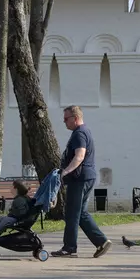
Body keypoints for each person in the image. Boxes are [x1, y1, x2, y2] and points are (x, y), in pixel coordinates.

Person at [52, 106, 112, 258]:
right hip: (86, 177)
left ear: (76, 118)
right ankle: (101, 242)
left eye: (66, 119)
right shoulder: (83, 132)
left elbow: (79, 156)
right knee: (81, 213)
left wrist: (66, 171)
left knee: (72, 213)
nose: (64, 122)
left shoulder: (79, 133)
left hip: (79, 179)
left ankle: (69, 248)